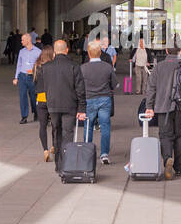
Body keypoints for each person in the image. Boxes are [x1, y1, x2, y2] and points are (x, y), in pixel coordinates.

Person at [143, 42, 181, 179]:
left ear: (167, 51)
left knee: (165, 135)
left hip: (163, 107)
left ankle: (168, 158)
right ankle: (179, 167)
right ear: (180, 51)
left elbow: (151, 88)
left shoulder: (159, 67)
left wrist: (149, 106)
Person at [40, 39, 87, 174]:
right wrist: (82, 108)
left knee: (56, 133)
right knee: (67, 135)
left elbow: (43, 87)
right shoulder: (74, 66)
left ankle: (58, 166)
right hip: (70, 106)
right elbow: (80, 90)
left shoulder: (46, 67)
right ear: (67, 50)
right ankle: (66, 165)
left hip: (53, 106)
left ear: (54, 52)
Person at [81, 39, 118, 164]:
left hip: (89, 99)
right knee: (105, 126)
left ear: (89, 54)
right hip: (104, 99)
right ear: (100, 53)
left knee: (88, 126)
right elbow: (115, 85)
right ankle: (104, 154)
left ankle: (87, 152)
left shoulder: (83, 68)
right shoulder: (107, 67)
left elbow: (79, 87)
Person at [31, 45, 56, 161]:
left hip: (40, 99)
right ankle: (54, 146)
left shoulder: (36, 67)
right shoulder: (52, 68)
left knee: (43, 126)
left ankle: (45, 150)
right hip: (52, 98)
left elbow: (35, 83)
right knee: (55, 125)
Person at [13, 32, 40, 123]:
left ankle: (36, 111)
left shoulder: (38, 52)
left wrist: (34, 71)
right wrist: (16, 77)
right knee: (22, 96)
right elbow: (19, 65)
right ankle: (24, 116)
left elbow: (40, 65)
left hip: (32, 77)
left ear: (28, 40)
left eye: (23, 40)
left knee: (33, 96)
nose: (21, 42)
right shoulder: (21, 52)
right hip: (22, 76)